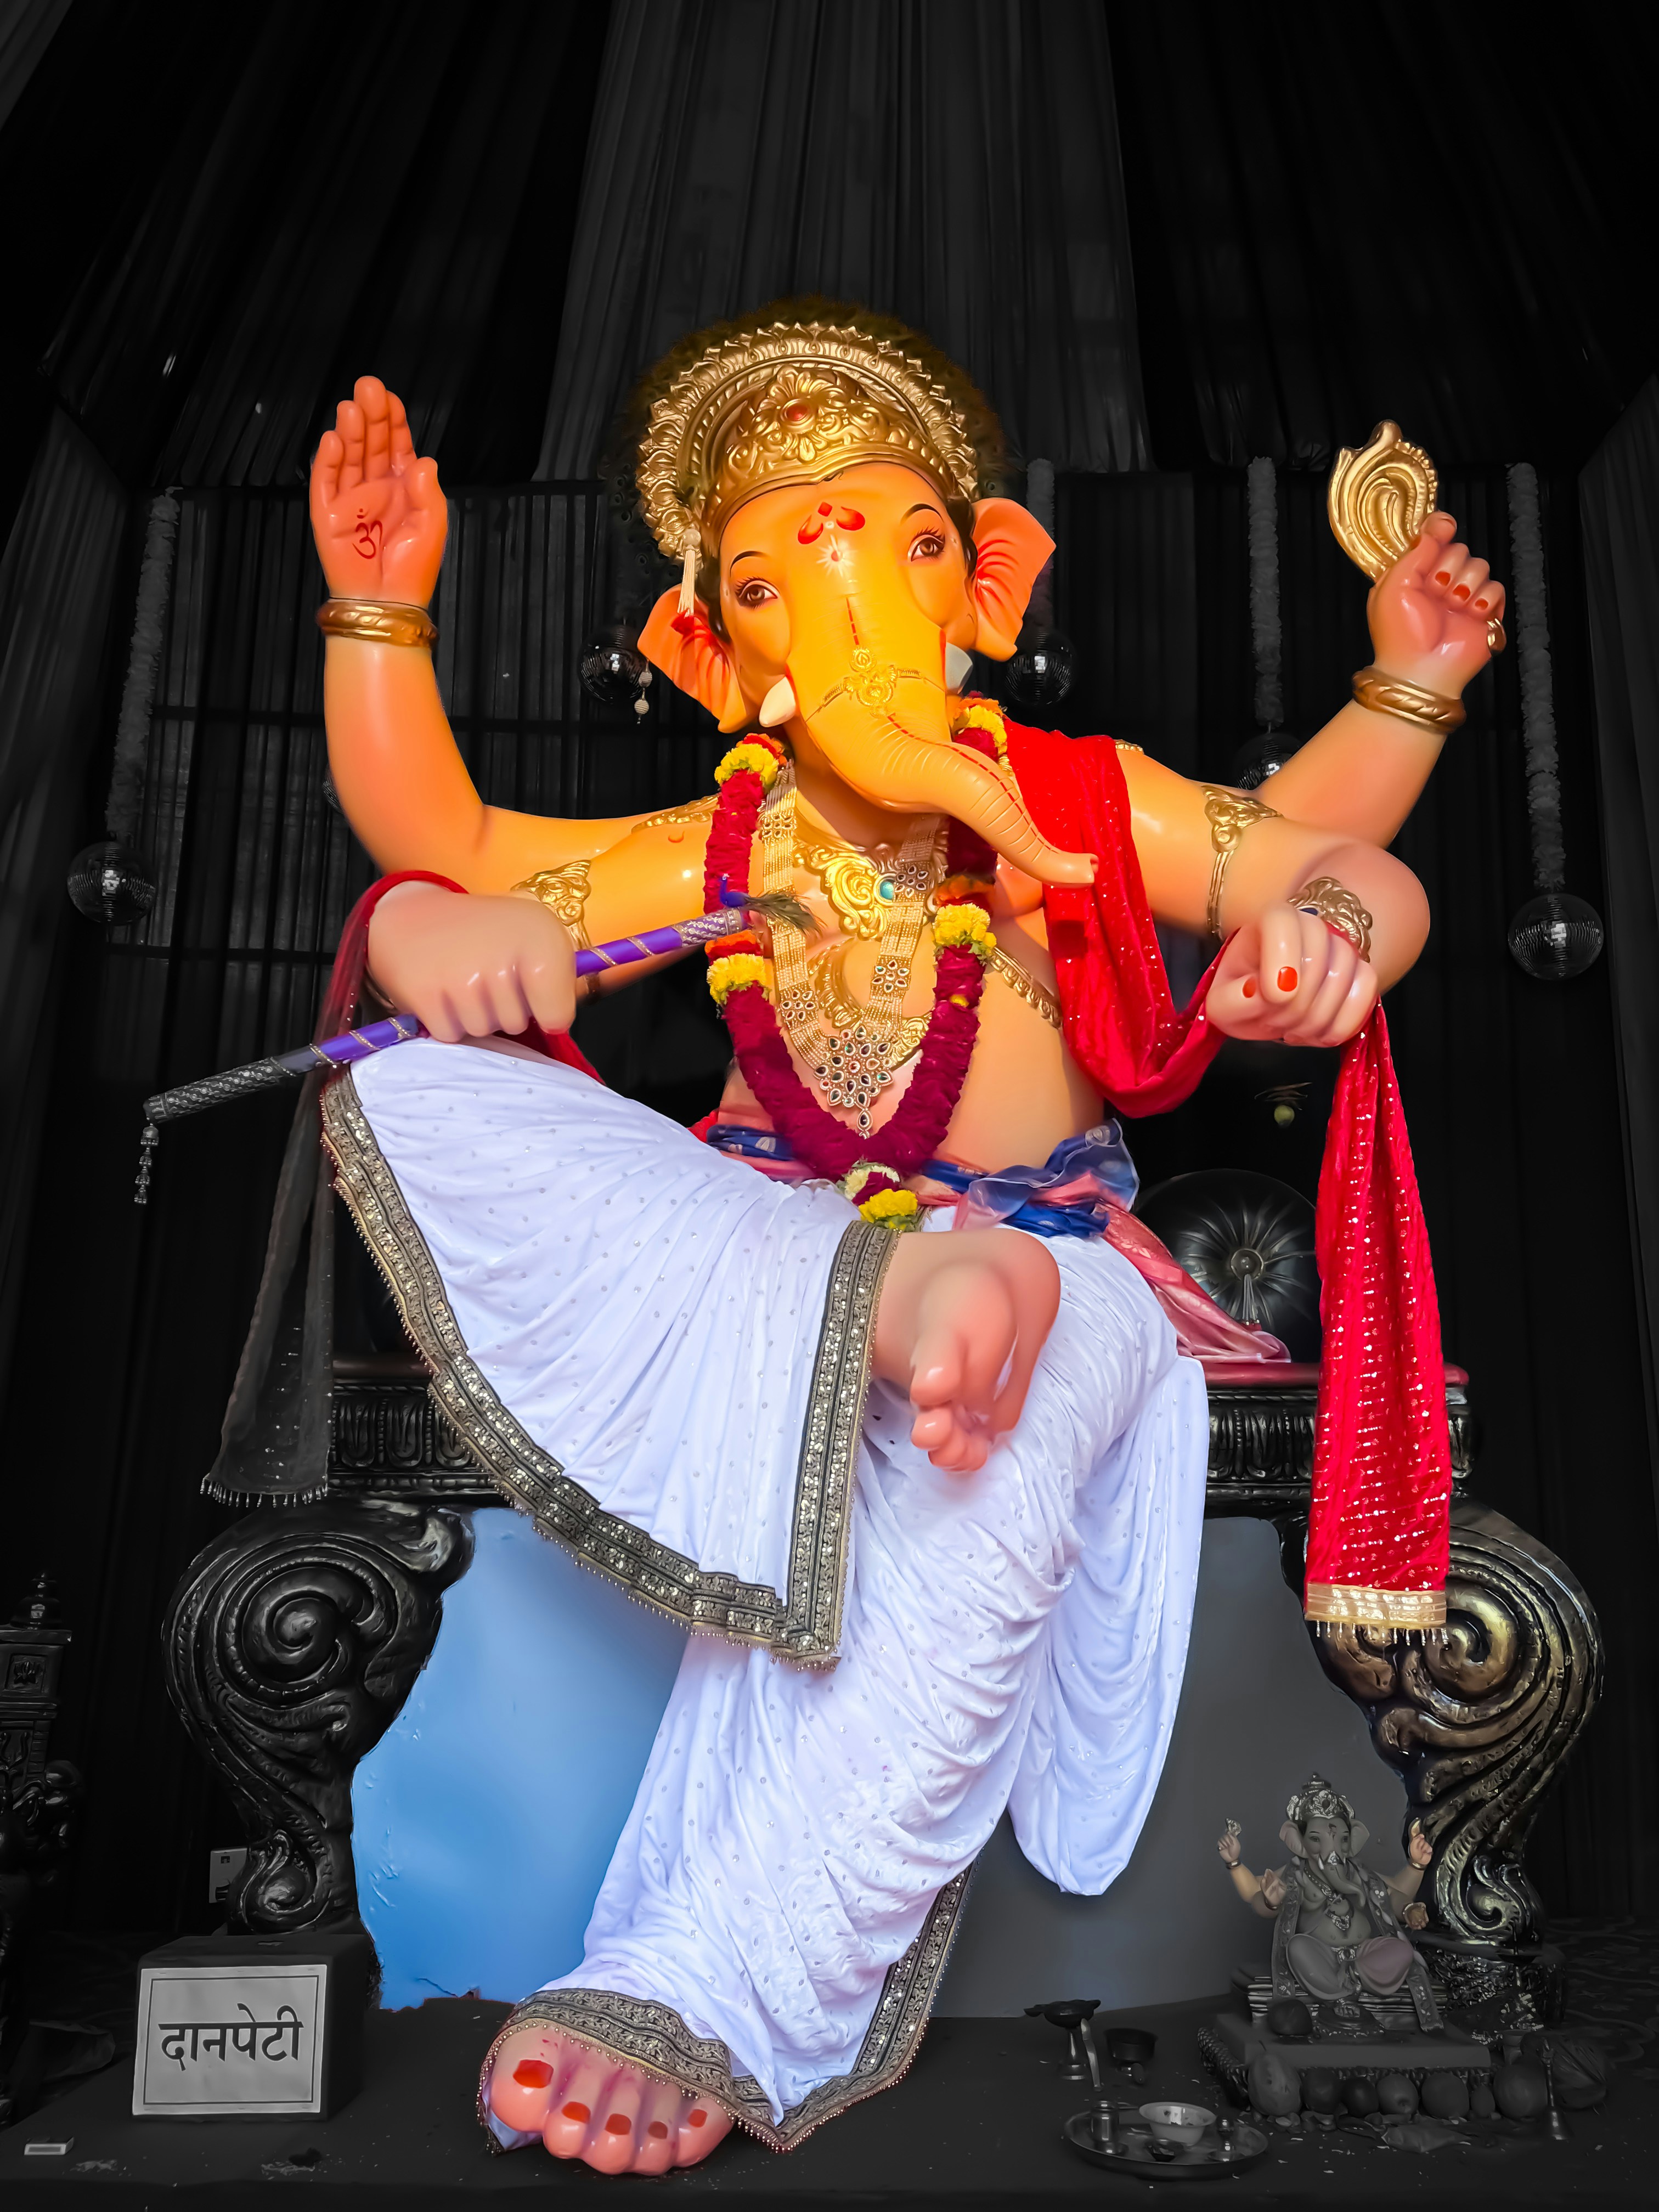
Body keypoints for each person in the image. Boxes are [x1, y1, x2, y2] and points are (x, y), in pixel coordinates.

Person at [307, 309, 1502, 2170]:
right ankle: (900, 1293)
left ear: (983, 582)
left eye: (907, 547)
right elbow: (447, 836)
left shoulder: (1071, 803)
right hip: (769, 1251)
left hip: (1058, 1258)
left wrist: (1346, 910)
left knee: (1007, 1414)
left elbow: (1311, 850)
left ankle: (713, 1975)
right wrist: (407, 840)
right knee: (409, 1084)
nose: (856, 608)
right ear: (716, 640)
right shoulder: (716, 839)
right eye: (784, 578)